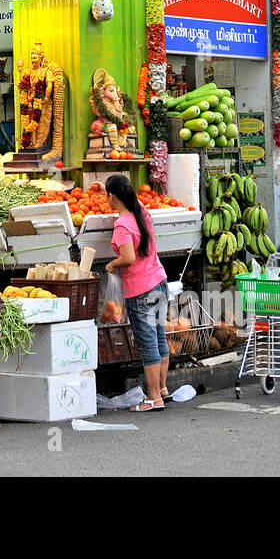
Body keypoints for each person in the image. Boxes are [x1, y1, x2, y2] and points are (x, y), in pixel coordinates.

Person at [104, 174, 169, 412]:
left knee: (148, 343)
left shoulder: (122, 226)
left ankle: (153, 398)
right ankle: (162, 388)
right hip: (160, 282)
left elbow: (128, 258)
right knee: (160, 338)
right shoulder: (140, 210)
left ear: (111, 196)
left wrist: (112, 264)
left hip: (141, 291)